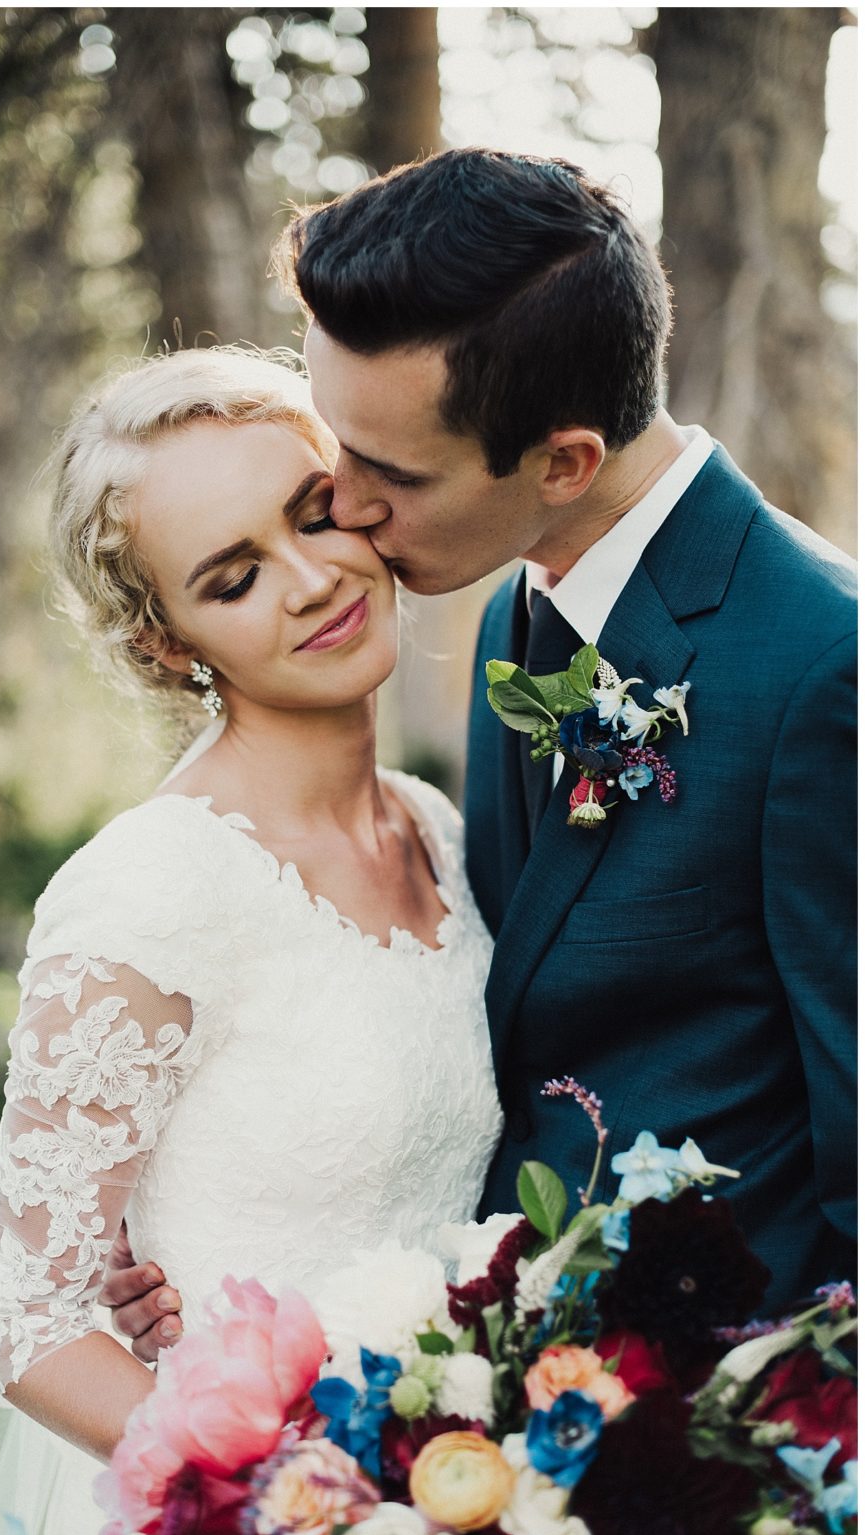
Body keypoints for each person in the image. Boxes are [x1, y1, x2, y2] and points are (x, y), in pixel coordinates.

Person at [108, 147, 855, 1365]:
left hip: (722, 1407)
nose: (345, 504)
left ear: (562, 462)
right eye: (338, 442)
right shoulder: (519, 601)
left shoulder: (824, 667)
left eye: (391, 472)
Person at [0, 345, 502, 1535]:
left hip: (462, 1505)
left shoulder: (441, 831)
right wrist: (297, 1516)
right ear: (164, 642)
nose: (311, 580)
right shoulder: (154, 887)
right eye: (234, 577)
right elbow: (26, 1320)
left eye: (313, 513)